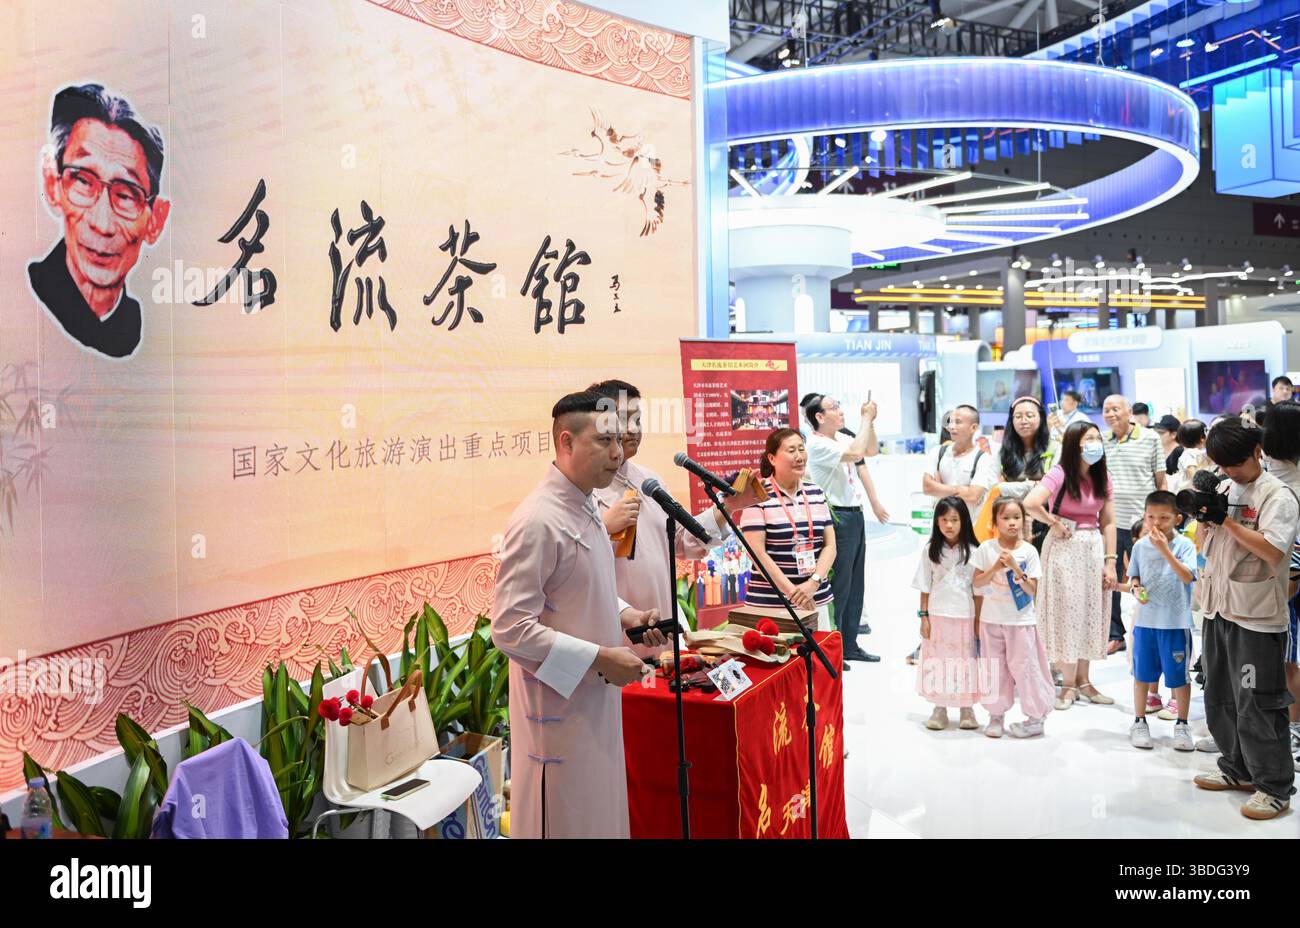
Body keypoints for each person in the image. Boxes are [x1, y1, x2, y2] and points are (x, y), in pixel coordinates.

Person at [491, 391, 665, 838]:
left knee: (603, 813)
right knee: (570, 820)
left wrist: (627, 617)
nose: (618, 452)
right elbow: (510, 629)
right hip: (559, 716)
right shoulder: (537, 520)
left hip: (595, 700)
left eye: (619, 441)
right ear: (566, 443)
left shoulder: (587, 501)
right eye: (604, 441)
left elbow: (585, 585)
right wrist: (599, 658)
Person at [587, 380, 755, 654]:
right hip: (611, 634)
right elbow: (575, 567)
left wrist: (727, 507)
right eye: (621, 420)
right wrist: (604, 528)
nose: (633, 430)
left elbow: (681, 540)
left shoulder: (649, 480)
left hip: (660, 626)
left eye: (638, 420)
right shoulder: (585, 489)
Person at [1191, 416, 1298, 820]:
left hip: (1256, 617)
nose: (1230, 472)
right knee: (1220, 694)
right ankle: (1237, 769)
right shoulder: (1222, 486)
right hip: (1219, 606)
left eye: (1235, 463)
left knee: (1258, 701)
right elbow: (1204, 546)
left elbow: (1273, 551)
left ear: (1257, 451)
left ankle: (1273, 786)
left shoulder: (1277, 495)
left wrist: (1227, 521)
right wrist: (1205, 517)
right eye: (1222, 464)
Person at [28, 83, 171, 359]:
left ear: (156, 220)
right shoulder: (29, 299)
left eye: (127, 195)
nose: (102, 225)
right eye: (82, 181)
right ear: (53, 184)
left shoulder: (136, 330)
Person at [1025, 420, 1118, 710]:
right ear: (1074, 443)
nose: (1095, 444)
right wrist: (1053, 522)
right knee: (1067, 612)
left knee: (1091, 609)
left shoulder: (1103, 476)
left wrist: (1111, 562)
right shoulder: (1060, 472)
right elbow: (1031, 502)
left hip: (1093, 549)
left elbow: (1110, 522)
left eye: (1097, 438)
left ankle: (1084, 680)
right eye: (1088, 438)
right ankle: (1066, 684)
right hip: (1064, 548)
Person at [803, 393, 886, 663]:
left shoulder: (839, 438)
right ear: (819, 416)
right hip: (835, 517)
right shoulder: (816, 444)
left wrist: (870, 423)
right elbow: (856, 452)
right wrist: (864, 418)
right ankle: (833, 648)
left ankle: (849, 644)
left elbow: (870, 450)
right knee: (838, 585)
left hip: (854, 515)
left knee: (855, 584)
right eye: (834, 407)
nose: (840, 411)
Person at [740, 428, 839, 638]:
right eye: (791, 450)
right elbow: (757, 554)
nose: (799, 457)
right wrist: (794, 594)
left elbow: (830, 546)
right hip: (771, 605)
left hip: (814, 598)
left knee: (818, 664)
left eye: (801, 449)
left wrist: (813, 583)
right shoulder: (758, 496)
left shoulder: (815, 492)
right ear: (772, 458)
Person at [972, 497, 1055, 738]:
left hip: (1021, 623)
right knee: (993, 669)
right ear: (995, 521)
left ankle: (1036, 718)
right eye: (1005, 518)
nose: (1011, 523)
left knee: (1026, 668)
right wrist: (996, 568)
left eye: (1016, 517)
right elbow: (977, 584)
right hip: (991, 620)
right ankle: (995, 715)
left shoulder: (1029, 552)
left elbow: (1032, 590)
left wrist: (1016, 569)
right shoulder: (986, 549)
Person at [1126, 491, 1198, 752]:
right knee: (1142, 674)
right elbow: (1134, 577)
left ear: (1178, 519)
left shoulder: (1185, 546)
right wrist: (1136, 589)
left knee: (1179, 677)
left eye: (1164, 518)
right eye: (1150, 517)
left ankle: (1182, 725)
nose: (1156, 523)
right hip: (1146, 622)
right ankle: (1139, 721)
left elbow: (1188, 577)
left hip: (1176, 623)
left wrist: (1165, 551)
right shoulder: (1139, 547)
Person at [1101, 395, 1167, 652]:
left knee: (1149, 575)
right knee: (1111, 577)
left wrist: (1161, 518)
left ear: (1129, 412)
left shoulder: (1150, 438)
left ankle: (1154, 625)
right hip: (1111, 520)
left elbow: (1160, 480)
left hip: (1144, 522)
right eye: (1106, 410)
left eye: (1115, 408)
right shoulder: (1102, 441)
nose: (1110, 414)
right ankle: (1115, 633)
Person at [914, 496, 981, 731]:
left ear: (964, 521)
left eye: (955, 519)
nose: (950, 525)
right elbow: (924, 585)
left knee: (966, 662)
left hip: (965, 615)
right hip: (938, 615)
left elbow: (979, 591)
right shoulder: (930, 550)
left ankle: (967, 708)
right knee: (938, 660)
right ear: (937, 522)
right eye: (944, 520)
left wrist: (979, 622)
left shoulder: (974, 551)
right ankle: (939, 708)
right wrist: (923, 616)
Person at [1261, 401, 1300, 769]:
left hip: (1284, 579)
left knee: (1289, 661)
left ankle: (1295, 731)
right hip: (1279, 577)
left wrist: (1289, 579)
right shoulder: (1273, 473)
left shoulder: (1282, 479)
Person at [996, 396, 1058, 545]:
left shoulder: (1055, 448)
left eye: (1029, 416)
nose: (1023, 421)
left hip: (1045, 523)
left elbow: (1053, 489)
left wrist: (1009, 488)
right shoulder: (1002, 452)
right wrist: (1033, 486)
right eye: (1018, 416)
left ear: (1041, 418)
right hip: (1008, 525)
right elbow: (996, 489)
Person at [922, 405, 995, 525]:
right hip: (940, 527)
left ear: (973, 427)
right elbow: (927, 487)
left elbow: (973, 496)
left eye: (958, 422)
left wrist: (941, 488)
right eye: (950, 421)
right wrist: (961, 489)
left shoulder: (983, 458)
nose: (951, 426)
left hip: (970, 529)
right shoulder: (937, 452)